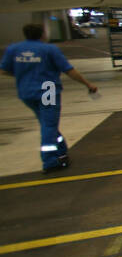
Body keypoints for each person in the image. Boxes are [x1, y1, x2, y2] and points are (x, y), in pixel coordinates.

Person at [2, 22, 98, 172]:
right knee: (49, 125)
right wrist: (88, 84)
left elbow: (4, 70)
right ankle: (50, 161)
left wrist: (23, 74)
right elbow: (69, 70)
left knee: (47, 123)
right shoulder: (49, 49)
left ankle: (61, 150)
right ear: (43, 34)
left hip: (26, 92)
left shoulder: (14, 49)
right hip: (47, 90)